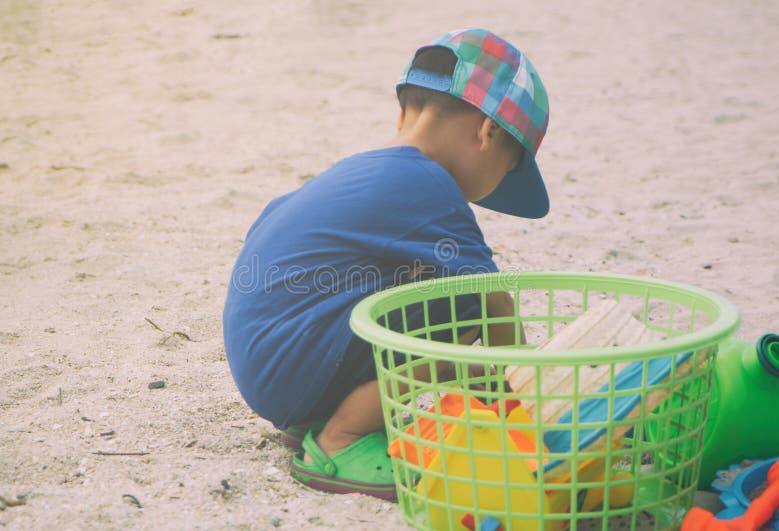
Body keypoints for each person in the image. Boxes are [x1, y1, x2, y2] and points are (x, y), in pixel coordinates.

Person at [222, 28, 550, 500]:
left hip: (269, 363)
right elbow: (494, 306)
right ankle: (342, 438)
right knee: (459, 305)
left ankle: (319, 419)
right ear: (489, 133)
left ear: (403, 112)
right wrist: (523, 413)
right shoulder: (431, 188)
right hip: (292, 363)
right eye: (510, 167)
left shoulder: (361, 171)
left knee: (418, 286)